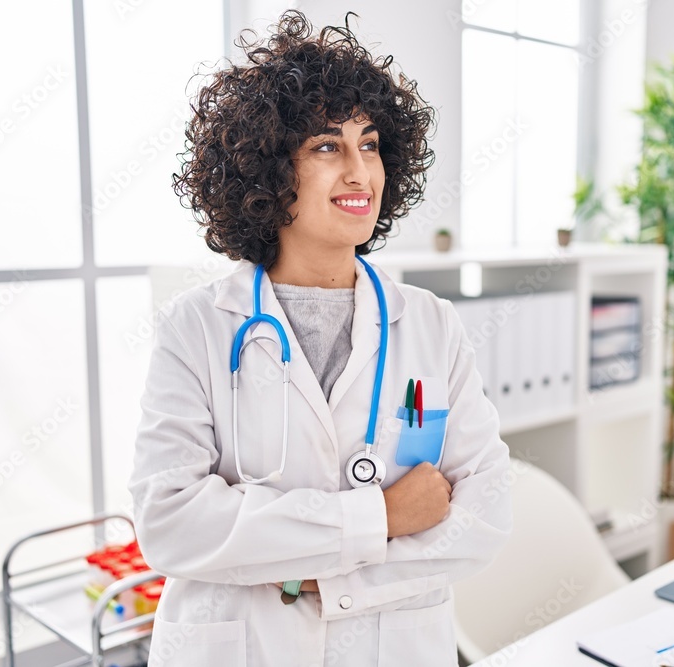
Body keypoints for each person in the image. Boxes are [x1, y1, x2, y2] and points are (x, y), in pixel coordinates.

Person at [128, 10, 512, 667]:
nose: (361, 172)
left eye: (370, 144)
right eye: (328, 147)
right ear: (269, 172)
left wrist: (319, 573)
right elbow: (171, 522)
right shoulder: (195, 327)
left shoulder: (429, 323)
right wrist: (380, 519)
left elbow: (484, 512)